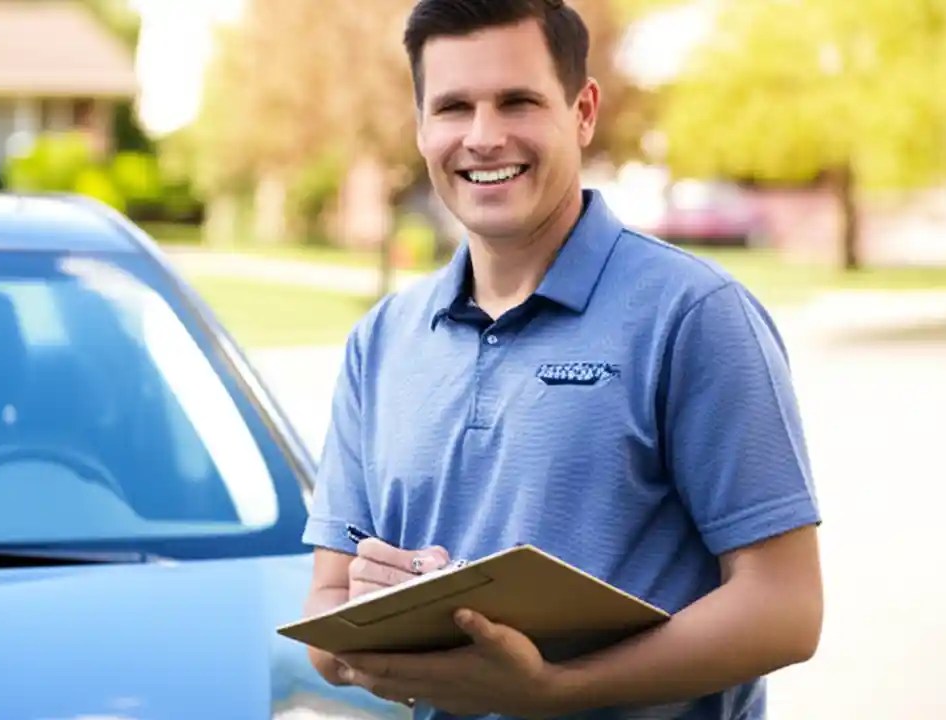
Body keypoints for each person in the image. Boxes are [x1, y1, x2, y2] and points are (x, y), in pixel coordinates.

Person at [298, 0, 824, 718]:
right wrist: (377, 609)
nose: (484, 137)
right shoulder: (381, 341)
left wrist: (558, 691)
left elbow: (786, 608)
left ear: (583, 112)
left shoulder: (694, 316)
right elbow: (325, 629)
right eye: (453, 107)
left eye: (517, 101)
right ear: (421, 126)